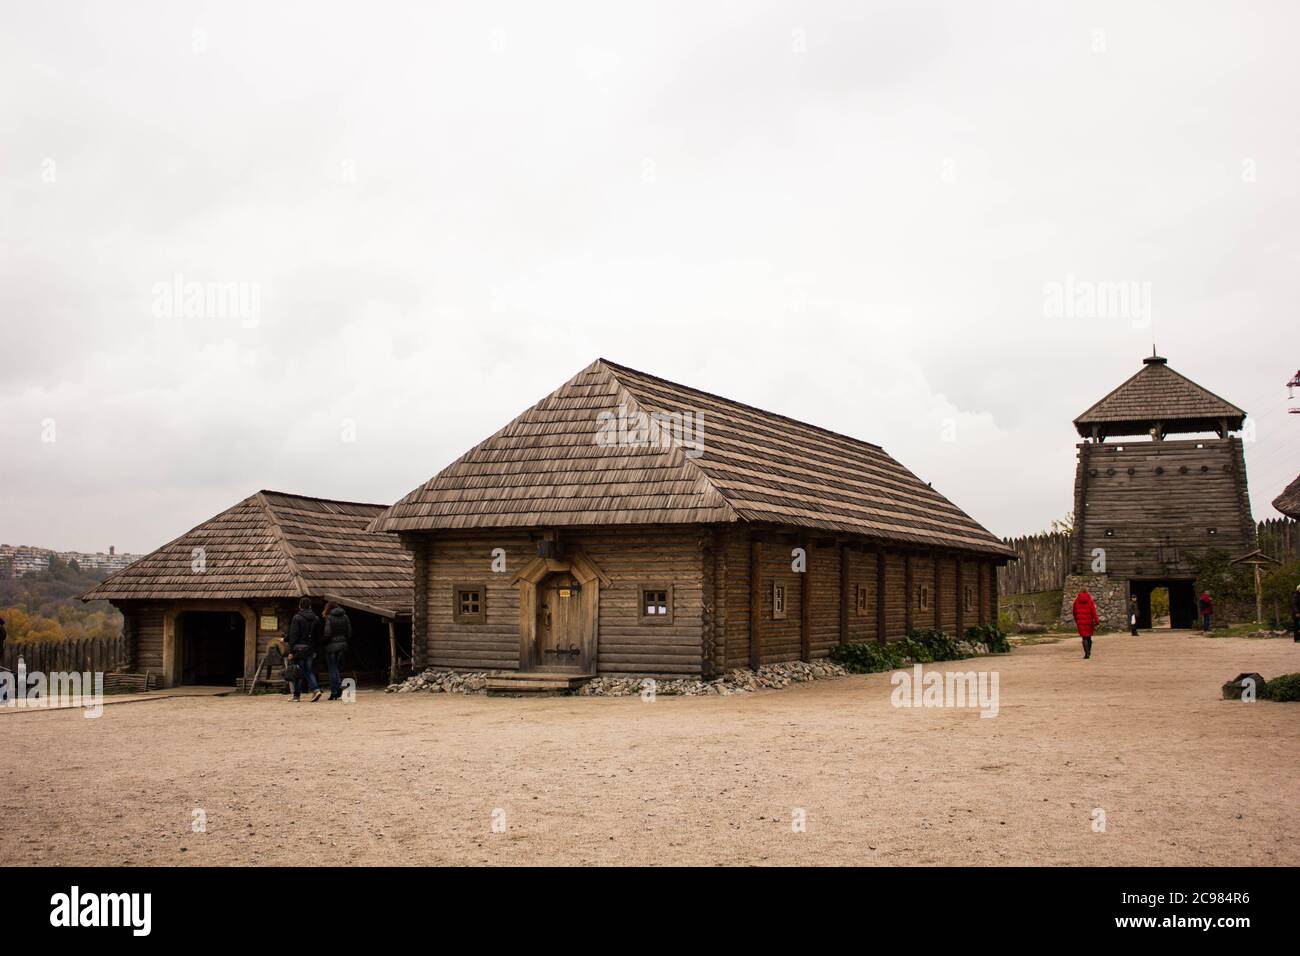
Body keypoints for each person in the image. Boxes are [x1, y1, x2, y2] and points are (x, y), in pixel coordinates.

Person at [285, 597, 322, 702]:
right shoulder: (316, 618)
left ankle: (297, 696)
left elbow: (293, 635)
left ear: (300, 606)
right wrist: (315, 650)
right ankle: (316, 690)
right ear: (310, 606)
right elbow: (318, 636)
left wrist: (291, 651)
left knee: (298, 672)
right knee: (308, 671)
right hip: (310, 649)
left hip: (299, 649)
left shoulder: (297, 618)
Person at [322, 602, 351, 701]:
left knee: (332, 669)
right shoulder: (345, 617)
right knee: (336, 669)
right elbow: (349, 632)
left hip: (331, 647)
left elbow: (327, 633)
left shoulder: (329, 618)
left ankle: (335, 691)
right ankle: (337, 688)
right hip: (343, 646)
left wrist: (323, 641)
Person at [1072, 589, 1099, 659]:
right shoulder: (1090, 601)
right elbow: (1093, 612)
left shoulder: (1076, 601)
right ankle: (1089, 651)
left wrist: (1076, 620)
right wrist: (1096, 621)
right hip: (1089, 622)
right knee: (1089, 637)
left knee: (1084, 638)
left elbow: (1074, 612)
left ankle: (1086, 653)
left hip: (1080, 622)